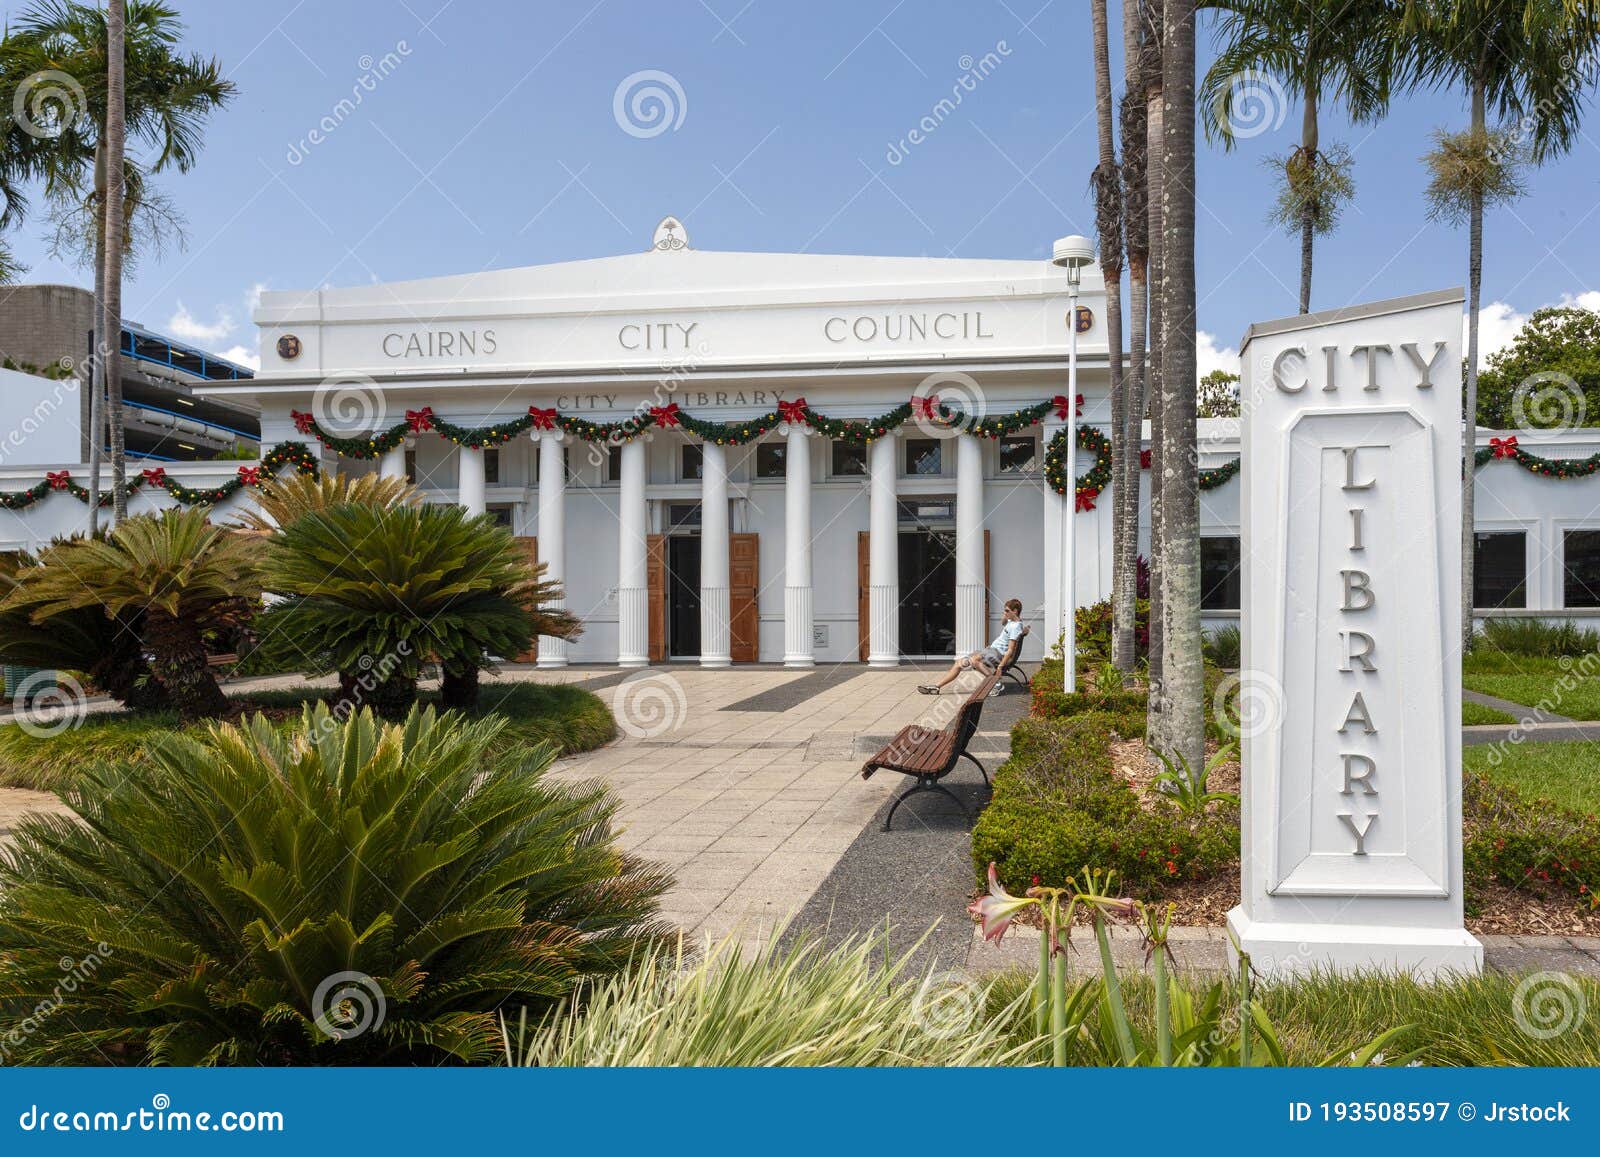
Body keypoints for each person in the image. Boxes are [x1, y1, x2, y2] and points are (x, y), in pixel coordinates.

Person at [917, 598, 1027, 694]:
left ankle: (995, 683)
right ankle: (936, 687)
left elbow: (1010, 650)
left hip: (997, 653)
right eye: (1004, 610)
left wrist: (1000, 667)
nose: (1005, 613)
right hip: (991, 650)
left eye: (1007, 611)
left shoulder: (1015, 626)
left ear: (1015, 611)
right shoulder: (1012, 622)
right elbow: (1003, 623)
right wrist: (1006, 614)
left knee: (974, 661)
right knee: (959, 663)